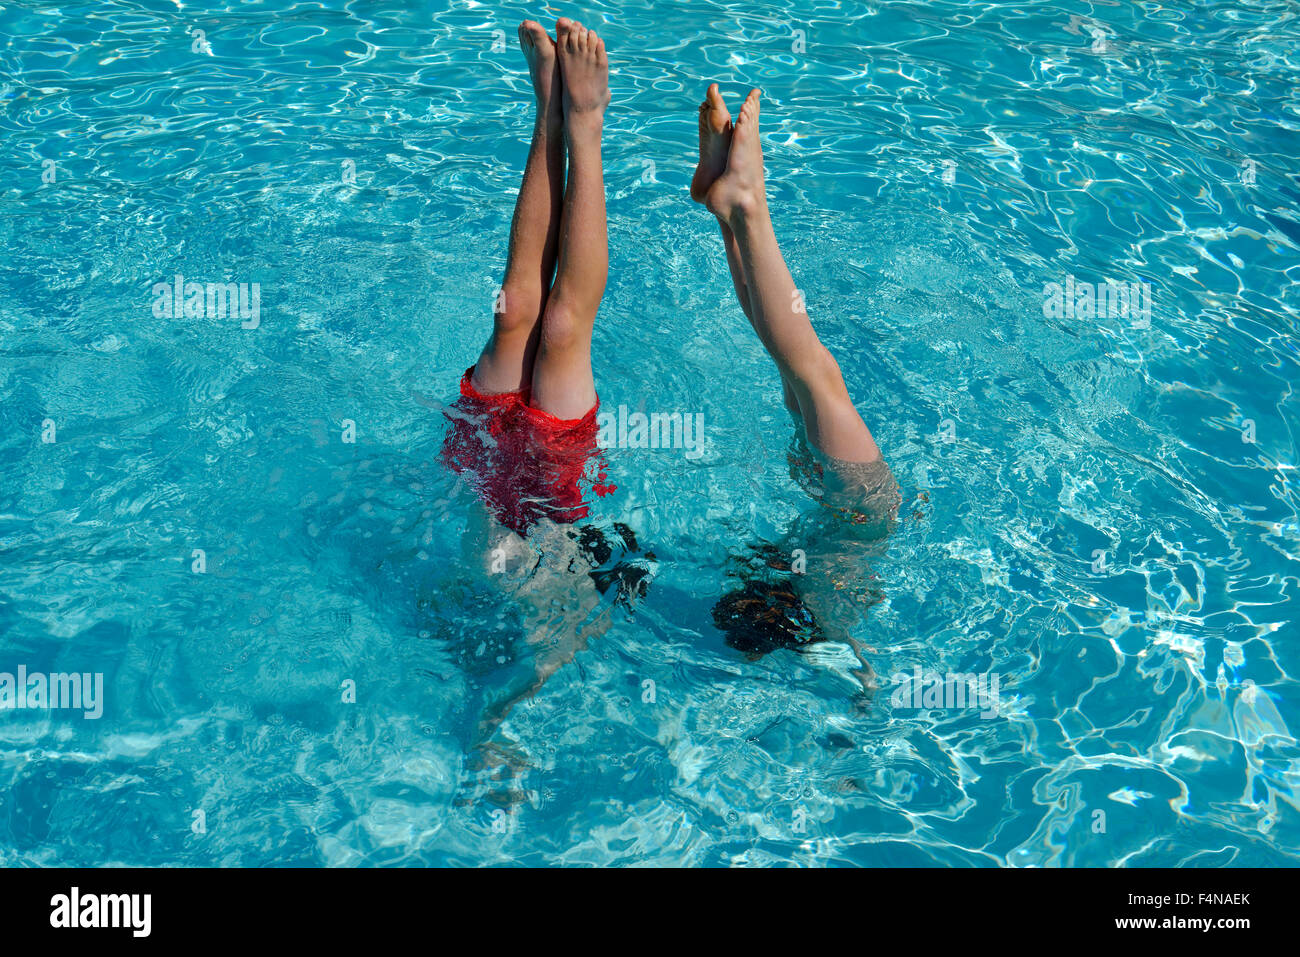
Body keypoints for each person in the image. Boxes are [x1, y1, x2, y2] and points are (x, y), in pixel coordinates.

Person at [690, 84, 901, 691]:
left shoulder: (833, 619)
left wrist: (861, 702)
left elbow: (867, 679)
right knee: (795, 366)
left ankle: (746, 211)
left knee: (811, 369)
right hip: (834, 501)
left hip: (862, 506)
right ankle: (729, 214)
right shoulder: (822, 609)